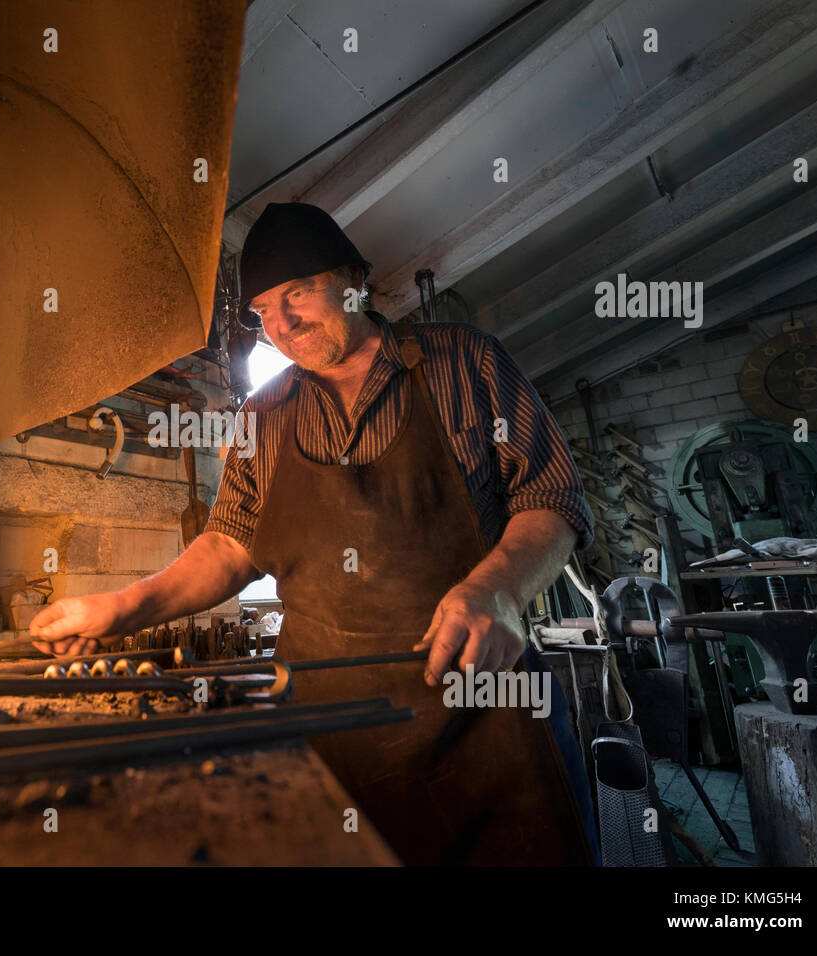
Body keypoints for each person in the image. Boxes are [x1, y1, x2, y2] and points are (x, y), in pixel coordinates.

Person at [31, 202, 599, 865]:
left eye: (297, 293)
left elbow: (551, 497)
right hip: (336, 742)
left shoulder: (465, 363)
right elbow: (229, 545)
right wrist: (122, 608)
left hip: (485, 723)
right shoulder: (264, 414)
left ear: (355, 279)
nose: (281, 323)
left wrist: (499, 591)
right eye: (264, 311)